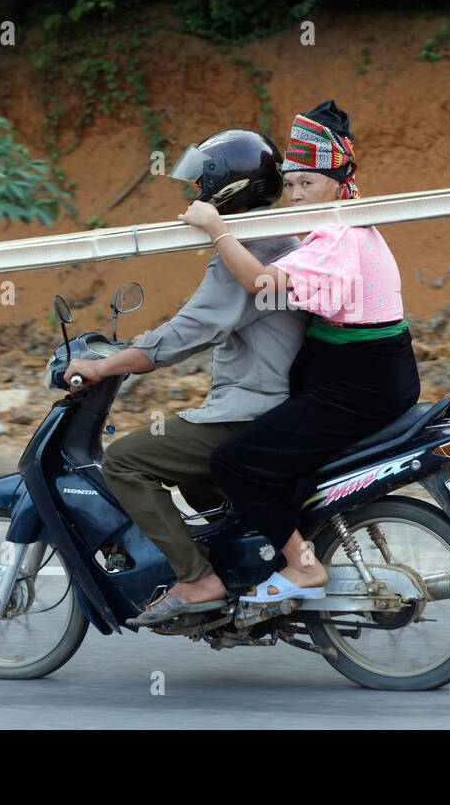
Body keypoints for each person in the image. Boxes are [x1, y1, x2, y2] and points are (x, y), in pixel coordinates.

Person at [177, 100, 420, 603]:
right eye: (288, 185)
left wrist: (215, 226)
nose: (294, 195)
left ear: (338, 180)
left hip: (356, 388)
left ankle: (302, 566)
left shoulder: (334, 236)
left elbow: (259, 281)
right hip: (367, 377)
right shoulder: (354, 223)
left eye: (307, 183)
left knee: (233, 464)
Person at [62, 129, 308, 626]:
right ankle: (240, 559)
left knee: (128, 461)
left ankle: (197, 579)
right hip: (280, 403)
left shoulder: (247, 247)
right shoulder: (280, 233)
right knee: (190, 464)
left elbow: (186, 334)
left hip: (254, 408)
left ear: (229, 187)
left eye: (203, 181)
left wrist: (106, 364)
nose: (195, 192)